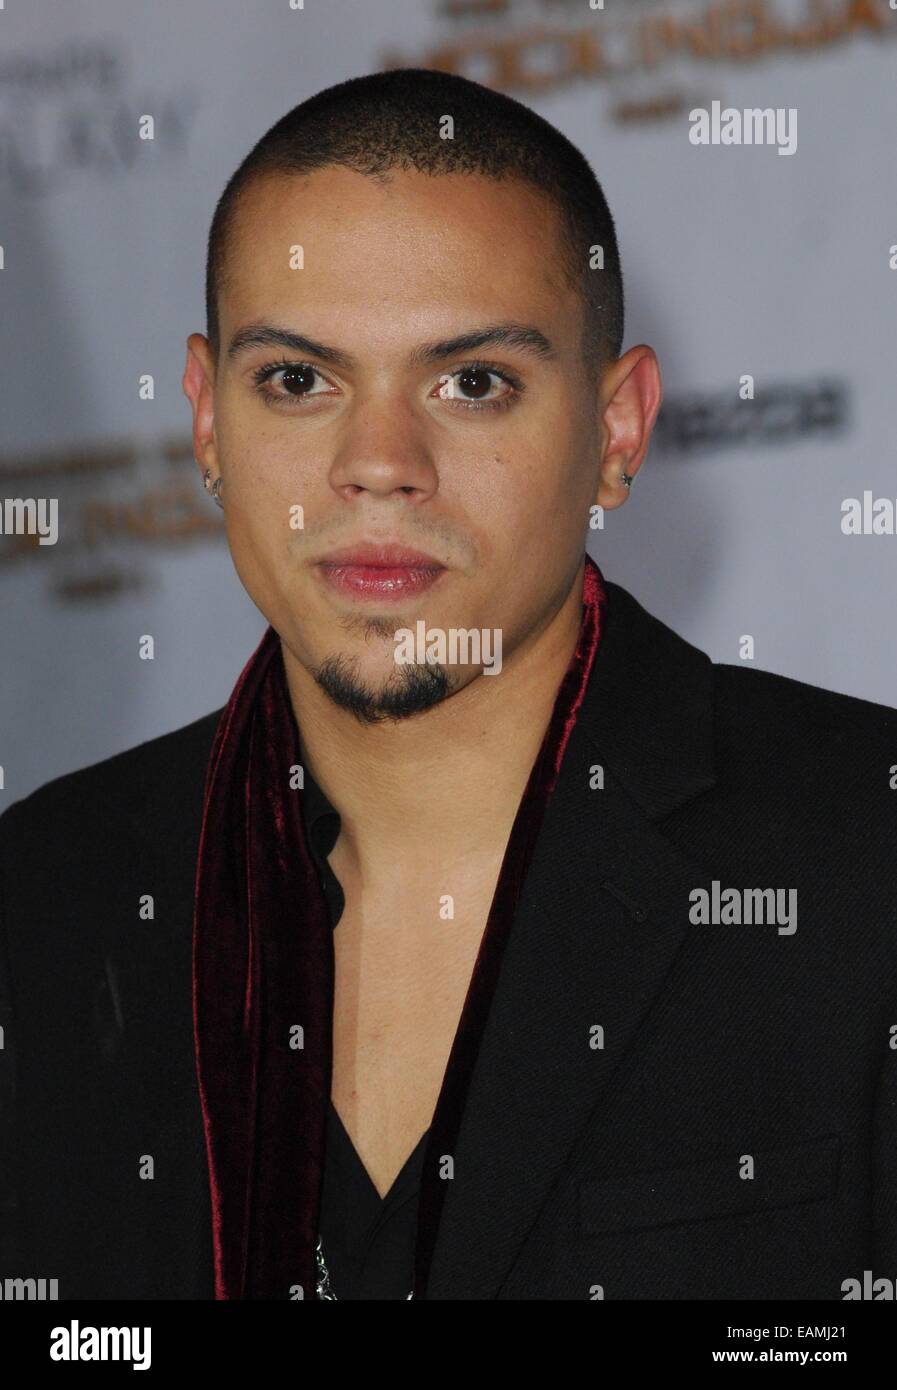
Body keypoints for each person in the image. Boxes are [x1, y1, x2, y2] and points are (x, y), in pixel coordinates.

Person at [1, 67, 895, 1302]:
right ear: (206, 424)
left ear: (618, 430)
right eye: (298, 380)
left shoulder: (865, 856)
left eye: (471, 382)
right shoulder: (48, 896)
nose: (377, 466)